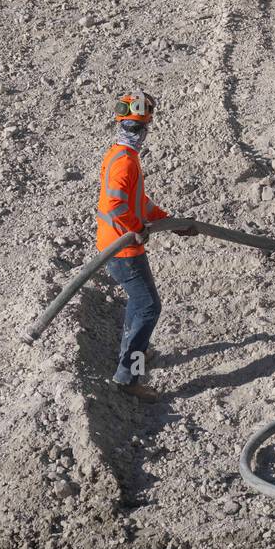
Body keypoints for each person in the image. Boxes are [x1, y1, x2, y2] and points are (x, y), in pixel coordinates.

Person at [96, 90, 197, 401]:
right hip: (122, 250)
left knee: (140, 304)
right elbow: (116, 206)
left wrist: (170, 221)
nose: (140, 135)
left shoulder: (120, 155)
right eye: (138, 128)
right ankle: (129, 376)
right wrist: (138, 228)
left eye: (140, 129)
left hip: (117, 244)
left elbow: (137, 202)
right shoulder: (124, 162)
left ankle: (132, 353)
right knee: (149, 306)